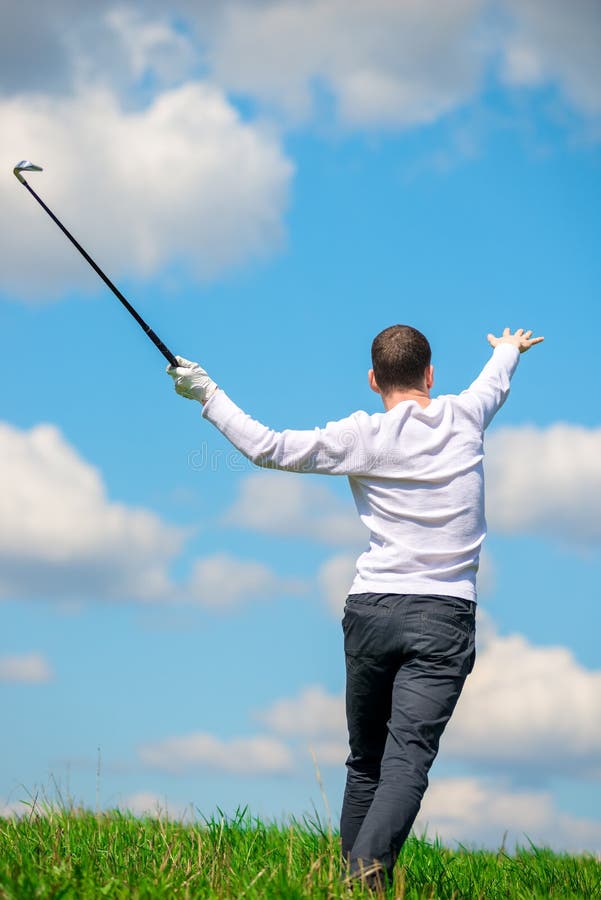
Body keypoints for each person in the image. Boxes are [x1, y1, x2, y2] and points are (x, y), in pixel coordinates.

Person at [167, 325, 544, 891]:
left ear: (373, 381)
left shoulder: (362, 435)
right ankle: (363, 876)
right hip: (443, 618)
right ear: (431, 376)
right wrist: (508, 348)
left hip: (372, 611)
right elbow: (497, 381)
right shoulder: (465, 415)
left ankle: (354, 882)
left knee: (366, 760)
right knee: (406, 758)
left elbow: (268, 447)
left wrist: (206, 392)